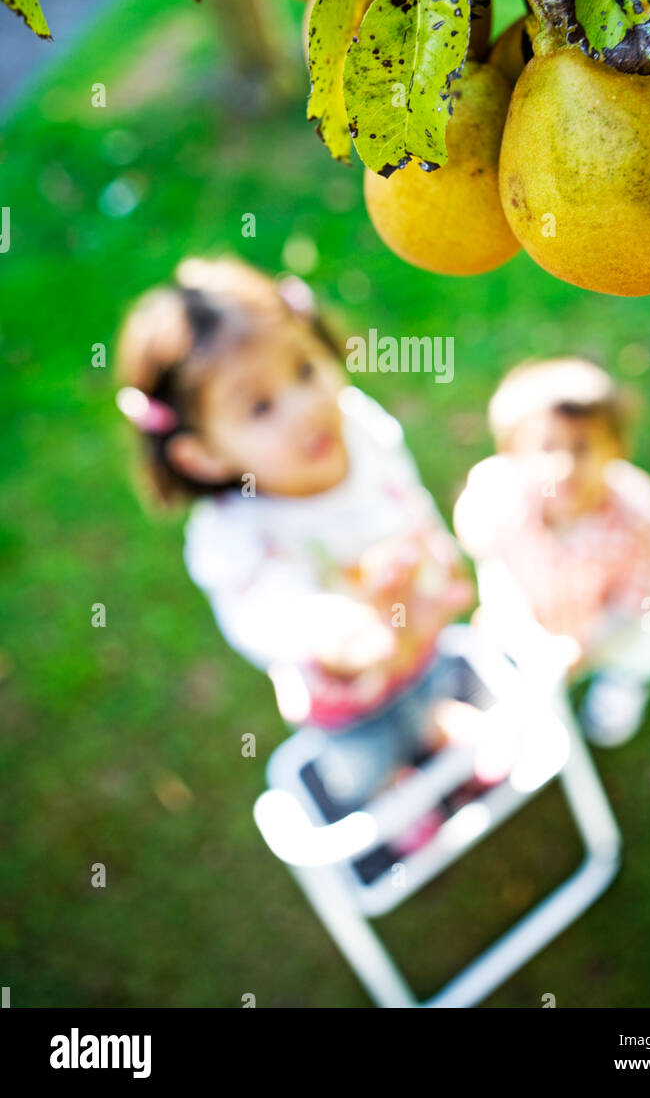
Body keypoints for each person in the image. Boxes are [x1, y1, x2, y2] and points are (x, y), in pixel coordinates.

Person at [115, 255, 483, 815]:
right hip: (347, 698)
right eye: (260, 406)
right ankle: (398, 806)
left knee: (429, 692)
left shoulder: (357, 429)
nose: (306, 408)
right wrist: (347, 636)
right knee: (367, 759)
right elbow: (269, 614)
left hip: (419, 629)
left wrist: (436, 554)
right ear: (204, 453)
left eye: (305, 370)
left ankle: (435, 737)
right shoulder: (236, 534)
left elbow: (402, 491)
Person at [454, 356, 650, 747]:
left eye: (582, 448)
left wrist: (586, 645)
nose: (563, 466)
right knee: (520, 658)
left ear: (616, 447)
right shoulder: (499, 490)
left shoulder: (640, 516)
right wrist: (505, 609)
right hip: (535, 604)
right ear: (512, 451)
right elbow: (480, 539)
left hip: (610, 619)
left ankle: (620, 682)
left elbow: (649, 597)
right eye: (546, 447)